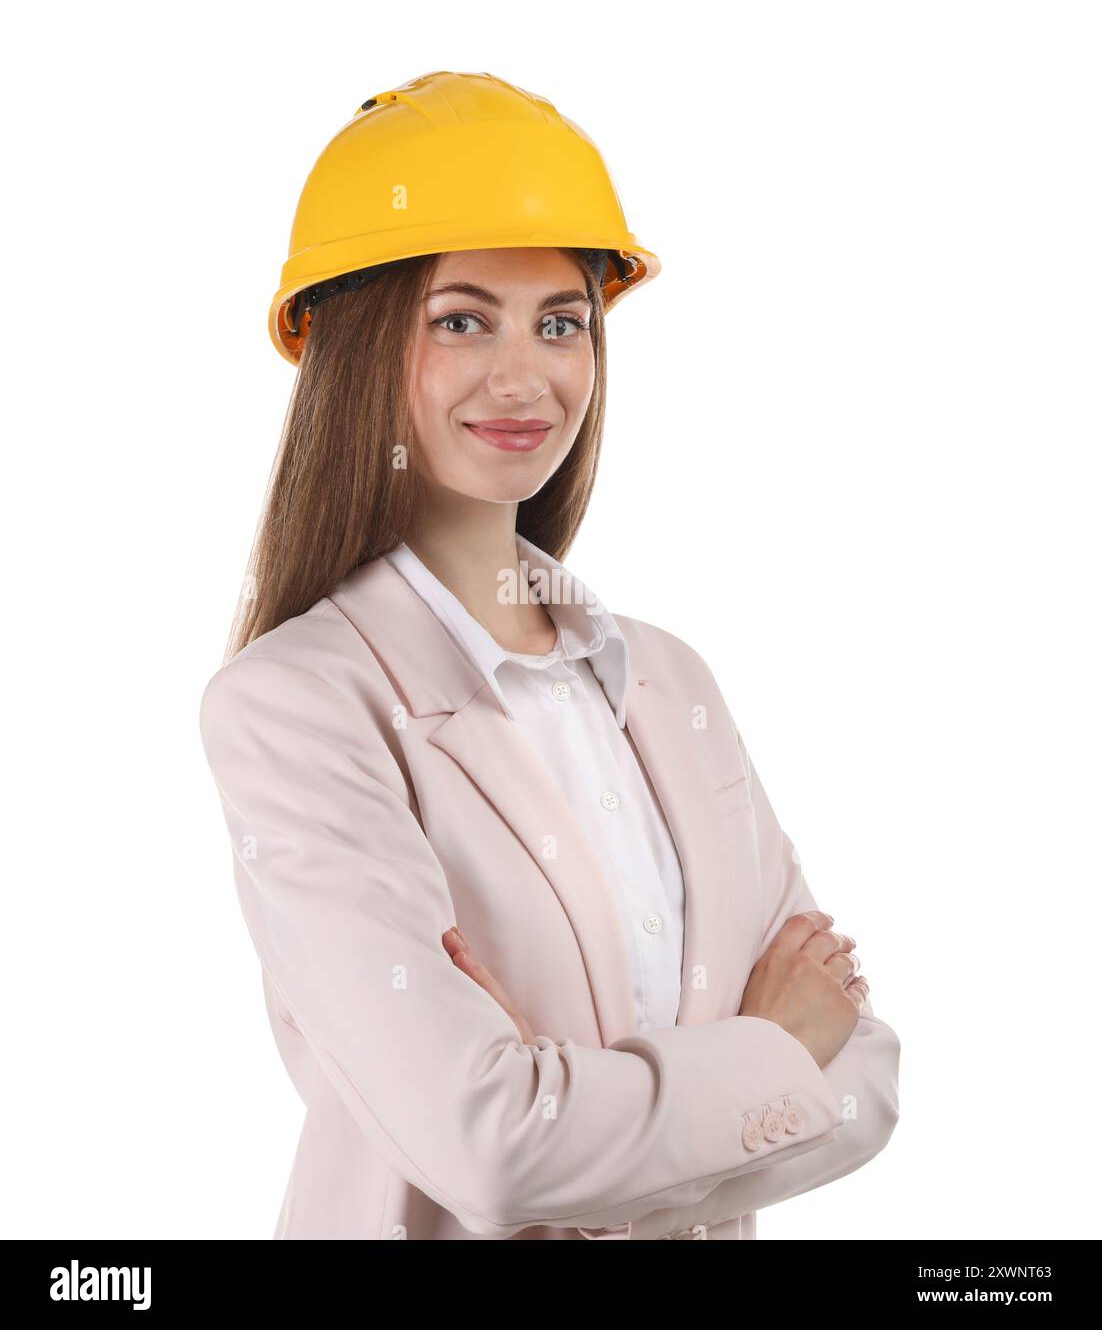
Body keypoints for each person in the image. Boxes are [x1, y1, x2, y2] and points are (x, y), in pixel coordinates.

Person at [198, 70, 900, 1241]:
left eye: (560, 321)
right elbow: (494, 1146)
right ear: (360, 347)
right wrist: (773, 1052)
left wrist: (583, 1126)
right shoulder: (293, 706)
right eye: (461, 318)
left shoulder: (669, 683)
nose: (526, 375)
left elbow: (868, 1076)